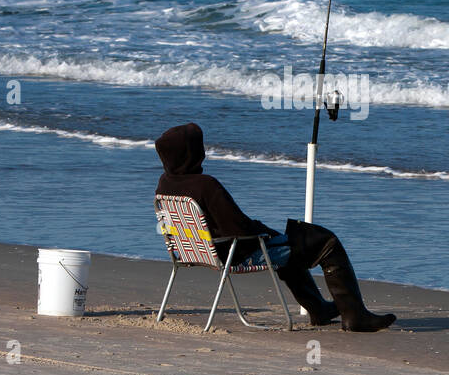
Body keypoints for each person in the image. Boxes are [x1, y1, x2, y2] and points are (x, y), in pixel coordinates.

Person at [154, 122, 396, 332]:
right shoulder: (205, 185)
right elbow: (240, 227)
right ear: (191, 153)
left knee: (293, 243)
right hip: (235, 253)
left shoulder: (164, 184)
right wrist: (266, 231)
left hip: (197, 252)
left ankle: (319, 309)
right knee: (326, 241)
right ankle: (355, 316)